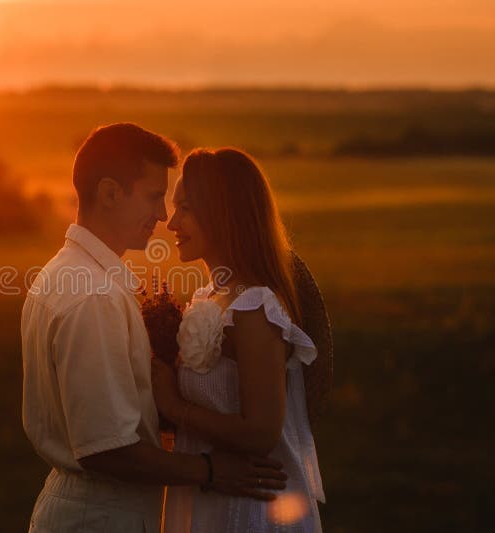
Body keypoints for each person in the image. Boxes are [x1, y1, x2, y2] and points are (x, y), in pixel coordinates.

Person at [21, 125, 287, 533]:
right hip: (103, 517)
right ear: (110, 194)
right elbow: (107, 451)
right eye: (152, 196)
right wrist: (210, 470)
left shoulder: (65, 274)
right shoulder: (94, 296)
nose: (163, 215)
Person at [154, 148, 326, 532]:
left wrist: (174, 406)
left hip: (250, 511)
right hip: (211, 496)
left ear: (223, 214)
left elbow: (262, 431)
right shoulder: (207, 297)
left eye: (186, 209)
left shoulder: (253, 307)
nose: (172, 223)